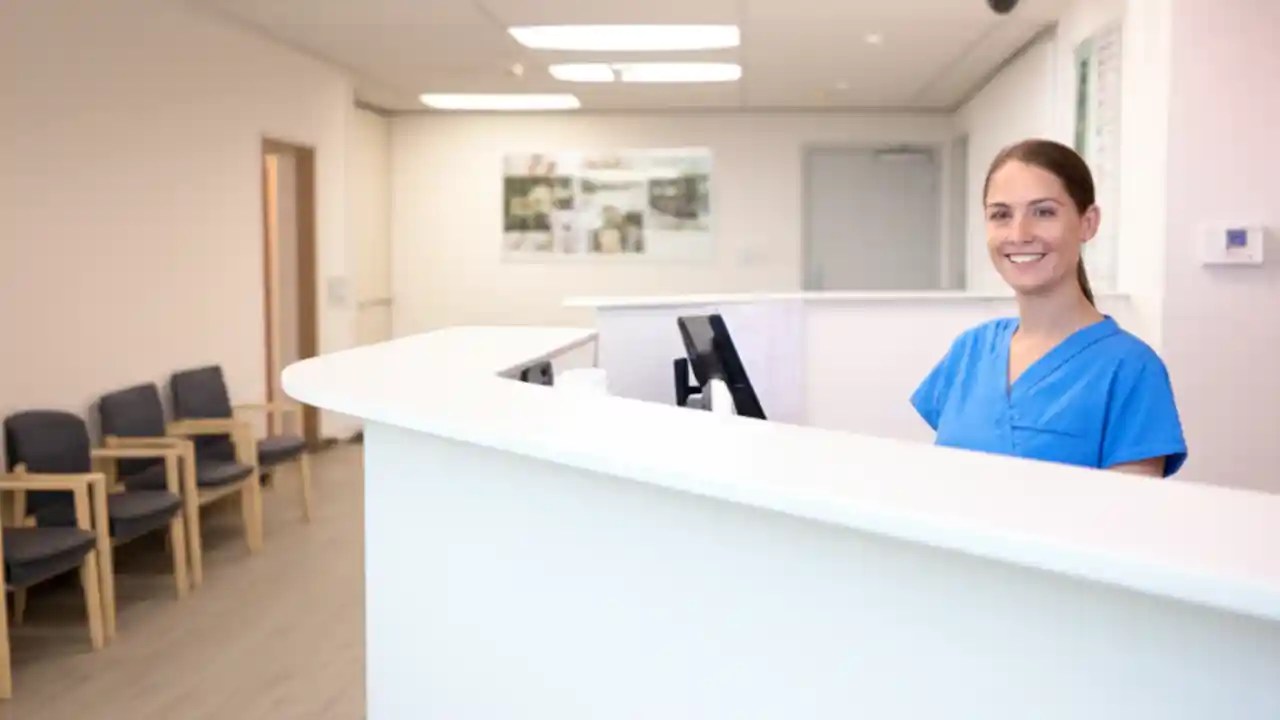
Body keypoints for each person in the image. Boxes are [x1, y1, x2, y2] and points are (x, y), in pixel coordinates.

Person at [911, 139, 1187, 477]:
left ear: (1088, 222)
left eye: (1043, 212)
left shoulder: (1130, 369)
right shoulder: (970, 351)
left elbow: (1127, 521)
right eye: (1001, 215)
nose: (1019, 233)